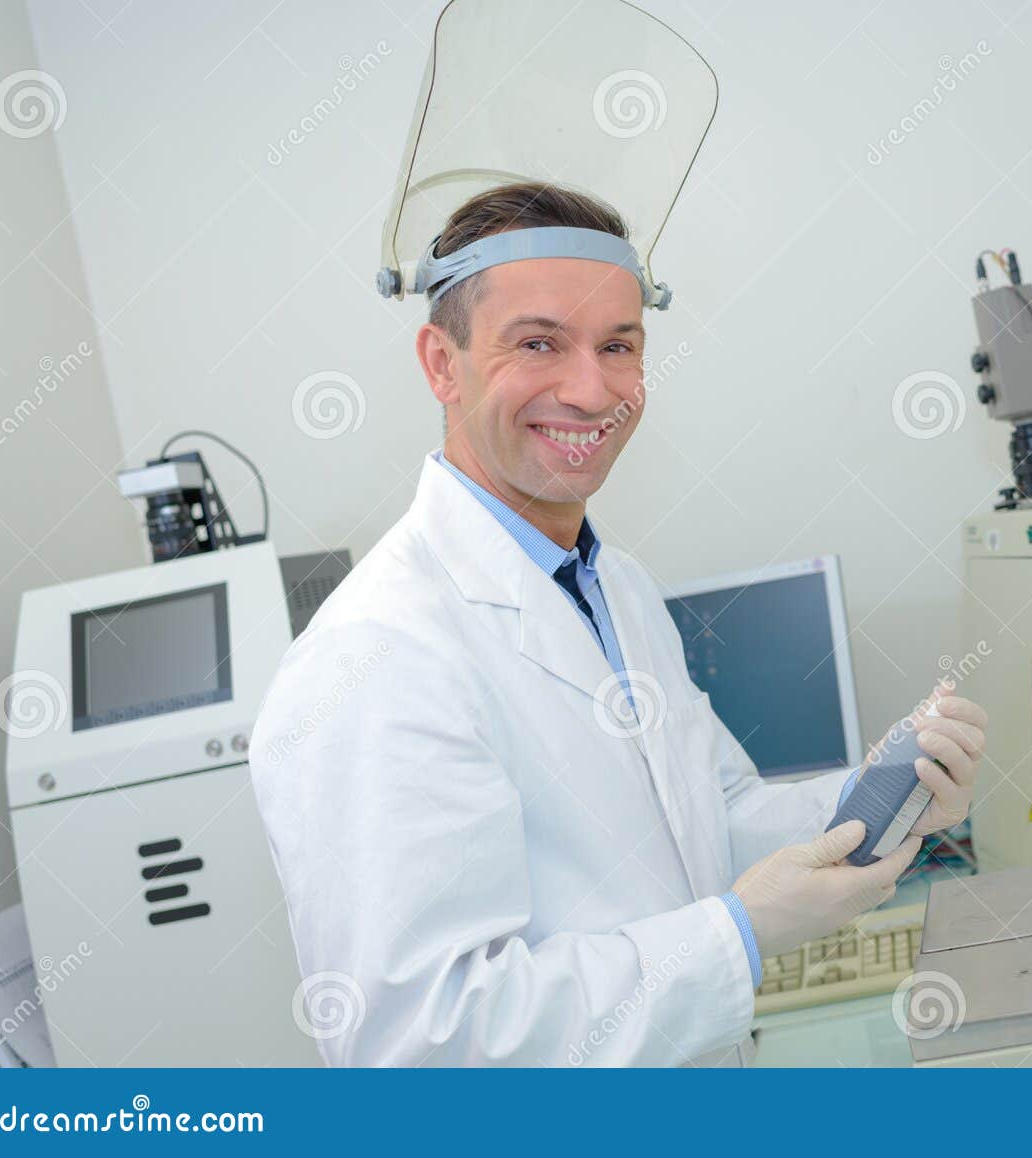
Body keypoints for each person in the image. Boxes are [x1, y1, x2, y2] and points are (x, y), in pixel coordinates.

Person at [249, 182, 988, 1066]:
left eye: (618, 346)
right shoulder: (371, 656)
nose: (592, 389)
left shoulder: (615, 589)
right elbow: (425, 1046)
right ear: (442, 363)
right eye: (538, 343)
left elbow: (714, 816)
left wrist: (876, 798)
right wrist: (737, 936)